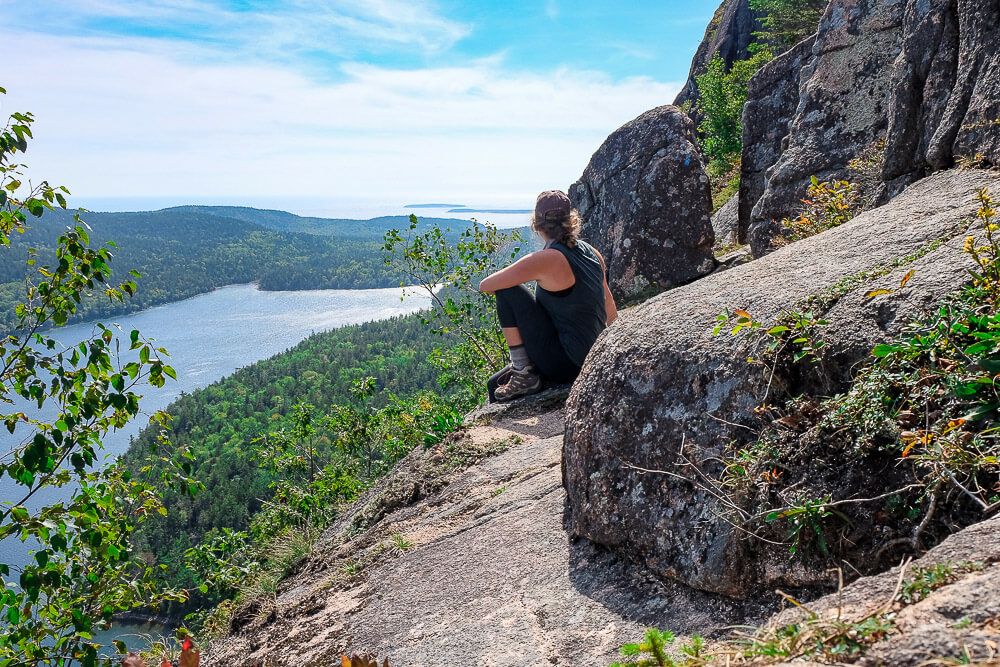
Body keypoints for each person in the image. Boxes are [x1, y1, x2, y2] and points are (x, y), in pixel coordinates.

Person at [479, 189, 618, 402]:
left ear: (536, 224)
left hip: (567, 363)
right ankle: (523, 371)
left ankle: (523, 373)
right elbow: (609, 306)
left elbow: (486, 285)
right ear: (571, 220)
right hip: (590, 354)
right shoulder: (592, 252)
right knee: (493, 384)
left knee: (508, 290)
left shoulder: (547, 258)